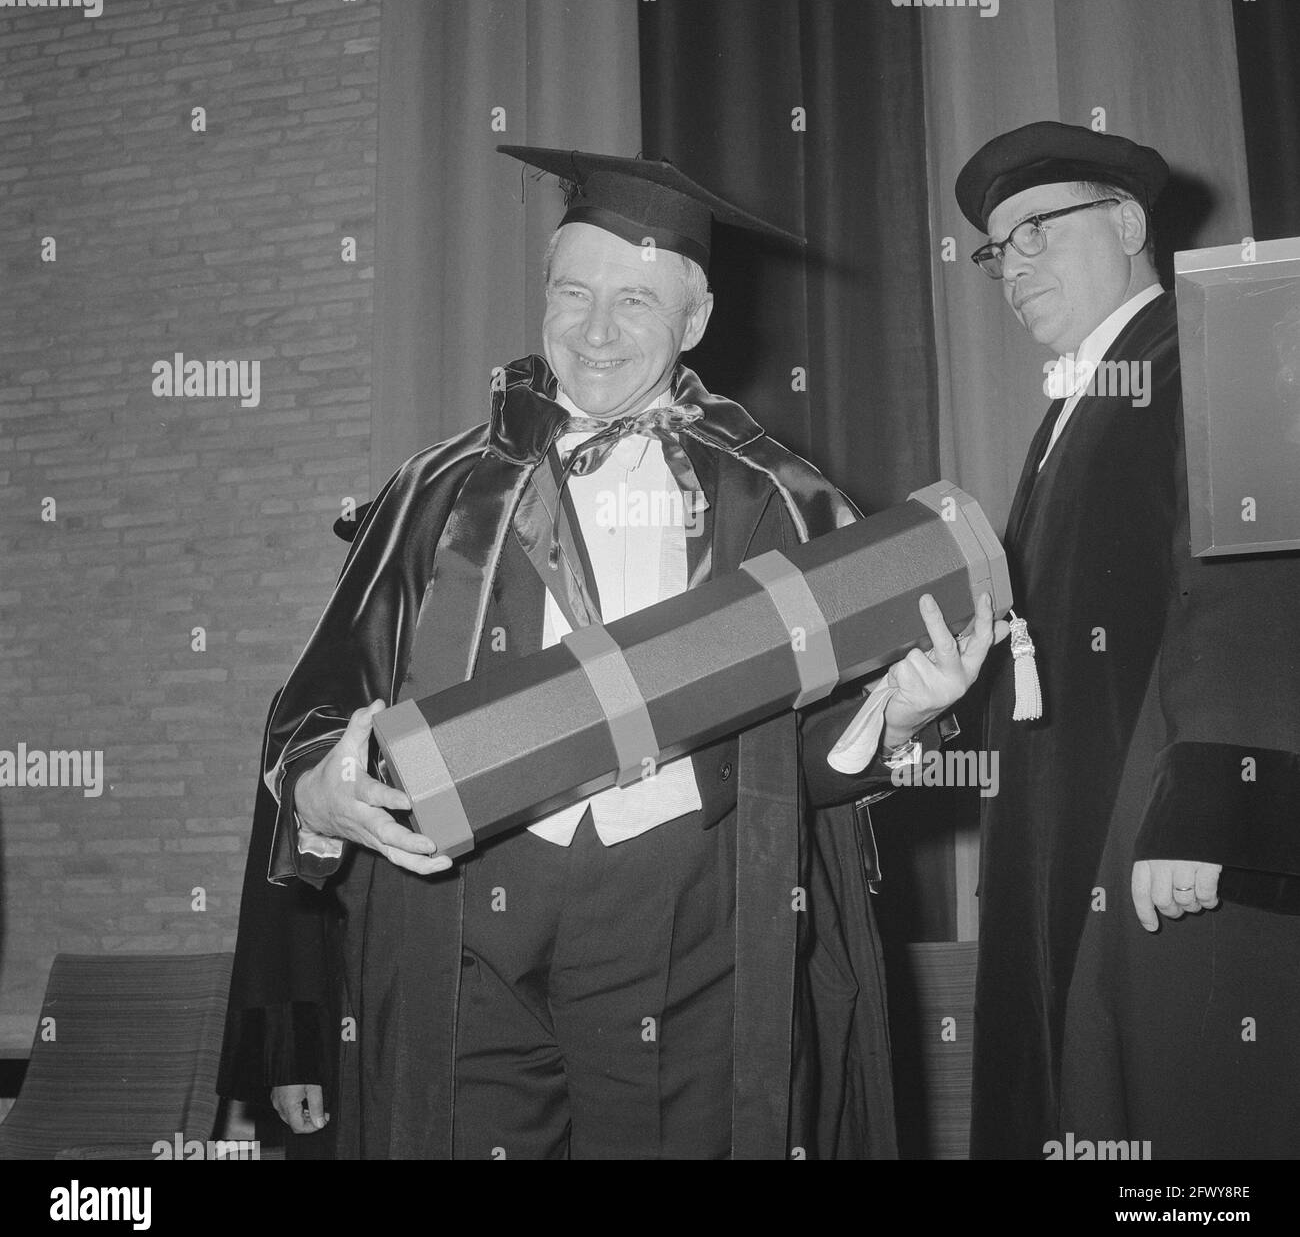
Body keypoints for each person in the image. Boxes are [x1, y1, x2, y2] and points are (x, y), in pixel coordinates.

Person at [219, 146, 997, 1160]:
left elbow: (789, 766)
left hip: (682, 919)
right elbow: (319, 701)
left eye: (634, 301)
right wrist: (319, 788)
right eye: (572, 291)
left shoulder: (776, 498)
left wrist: (894, 717)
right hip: (464, 917)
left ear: (696, 321)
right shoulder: (441, 489)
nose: (593, 330)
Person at [957, 121, 1300, 1160]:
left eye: (1037, 230)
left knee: (1185, 1122)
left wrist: (1212, 796)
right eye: (994, 248)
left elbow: (1253, 574)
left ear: (1127, 222)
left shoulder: (1214, 336)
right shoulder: (1079, 400)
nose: (1011, 265)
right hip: (1079, 829)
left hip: (1163, 832)